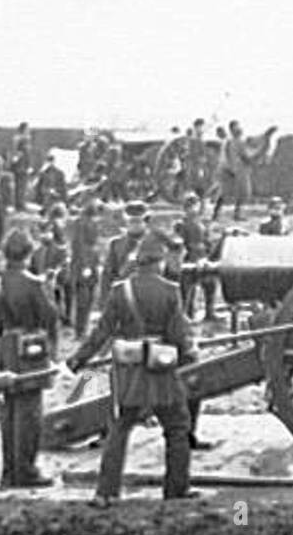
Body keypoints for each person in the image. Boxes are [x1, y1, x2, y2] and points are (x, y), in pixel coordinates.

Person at [68, 233, 198, 507]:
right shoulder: (170, 291)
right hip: (160, 370)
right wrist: (189, 355)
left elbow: (101, 332)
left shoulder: (119, 291)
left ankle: (106, 493)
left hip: (128, 373)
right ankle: (176, 490)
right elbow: (178, 334)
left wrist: (78, 359)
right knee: (177, 427)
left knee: (119, 428)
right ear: (159, 263)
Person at [0, 228, 58, 489]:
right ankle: (26, 470)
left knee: (9, 411)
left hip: (3, 350)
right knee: (29, 413)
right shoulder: (34, 284)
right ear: (29, 254)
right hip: (30, 352)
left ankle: (9, 470)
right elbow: (50, 317)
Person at [175, 192, 218, 317]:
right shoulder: (181, 224)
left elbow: (207, 240)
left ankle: (210, 312)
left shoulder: (201, 223)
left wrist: (209, 251)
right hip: (190, 257)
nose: (193, 209)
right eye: (190, 206)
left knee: (210, 284)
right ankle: (187, 313)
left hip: (203, 255)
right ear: (185, 208)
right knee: (188, 289)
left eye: (195, 205)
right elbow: (180, 242)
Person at [101, 201, 149, 301]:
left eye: (138, 221)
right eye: (131, 221)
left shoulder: (155, 243)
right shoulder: (115, 244)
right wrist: (105, 300)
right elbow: (108, 275)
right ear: (126, 221)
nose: (135, 225)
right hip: (122, 296)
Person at [70, 196, 101, 336]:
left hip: (91, 262)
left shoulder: (91, 222)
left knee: (89, 298)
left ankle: (83, 328)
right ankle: (80, 329)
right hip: (83, 264)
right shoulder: (81, 223)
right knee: (83, 299)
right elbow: (79, 245)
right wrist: (86, 266)